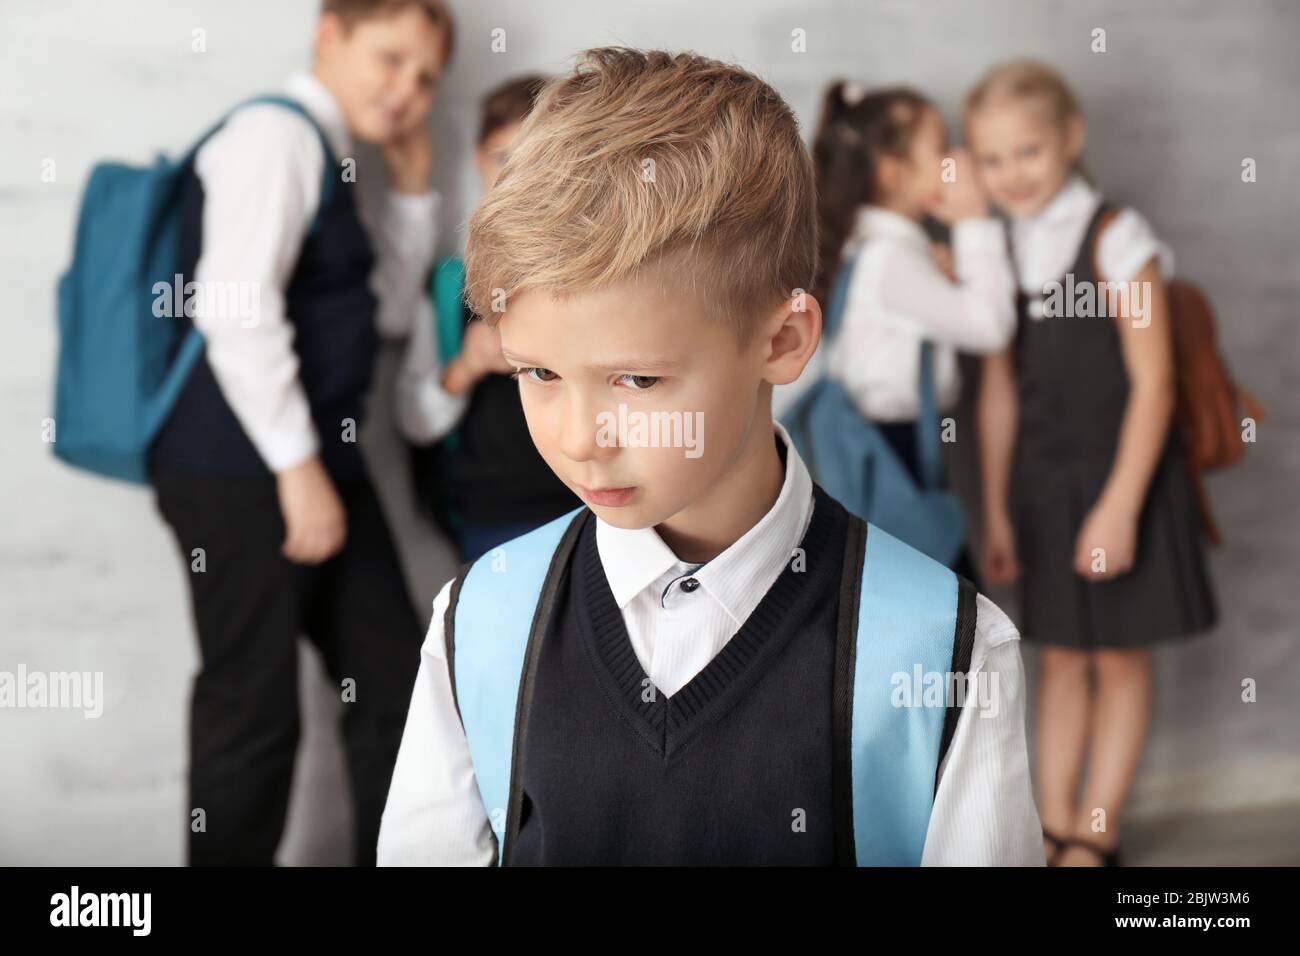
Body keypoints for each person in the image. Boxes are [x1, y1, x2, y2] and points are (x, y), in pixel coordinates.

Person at [378, 48, 1043, 866]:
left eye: (638, 378)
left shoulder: (948, 649)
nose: (582, 436)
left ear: (784, 340)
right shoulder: (474, 624)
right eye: (538, 372)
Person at [149, 0, 461, 865]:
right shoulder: (275, 137)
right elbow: (234, 314)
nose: (406, 91)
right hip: (243, 467)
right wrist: (297, 469)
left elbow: (388, 313)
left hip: (314, 459)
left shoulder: (332, 155)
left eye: (426, 78)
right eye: (390, 58)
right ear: (330, 34)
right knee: (253, 709)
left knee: (397, 679)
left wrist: (410, 184)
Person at [968, 60, 1217, 866]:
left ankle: (1097, 829)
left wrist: (1117, 508)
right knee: (1061, 656)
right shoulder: (999, 245)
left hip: (1123, 482)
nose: (1011, 175)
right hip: (1042, 489)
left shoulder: (1117, 237)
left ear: (1071, 139)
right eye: (992, 159)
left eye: (1028, 152)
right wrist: (1001, 509)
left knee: (1117, 654)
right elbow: (1000, 389)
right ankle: (1053, 820)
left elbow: (1154, 384)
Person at [811, 81, 1017, 582]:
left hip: (884, 447)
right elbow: (991, 327)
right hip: (892, 452)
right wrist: (974, 221)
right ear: (893, 174)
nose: (956, 160)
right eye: (940, 149)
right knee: (940, 603)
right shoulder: (890, 258)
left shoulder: (878, 249)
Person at [408, 75, 581, 561]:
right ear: (478, 160)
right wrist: (466, 366)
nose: (515, 177)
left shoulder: (591, 276)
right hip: (491, 518)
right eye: (503, 158)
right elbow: (415, 420)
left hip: (586, 504)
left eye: (535, 160)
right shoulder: (449, 286)